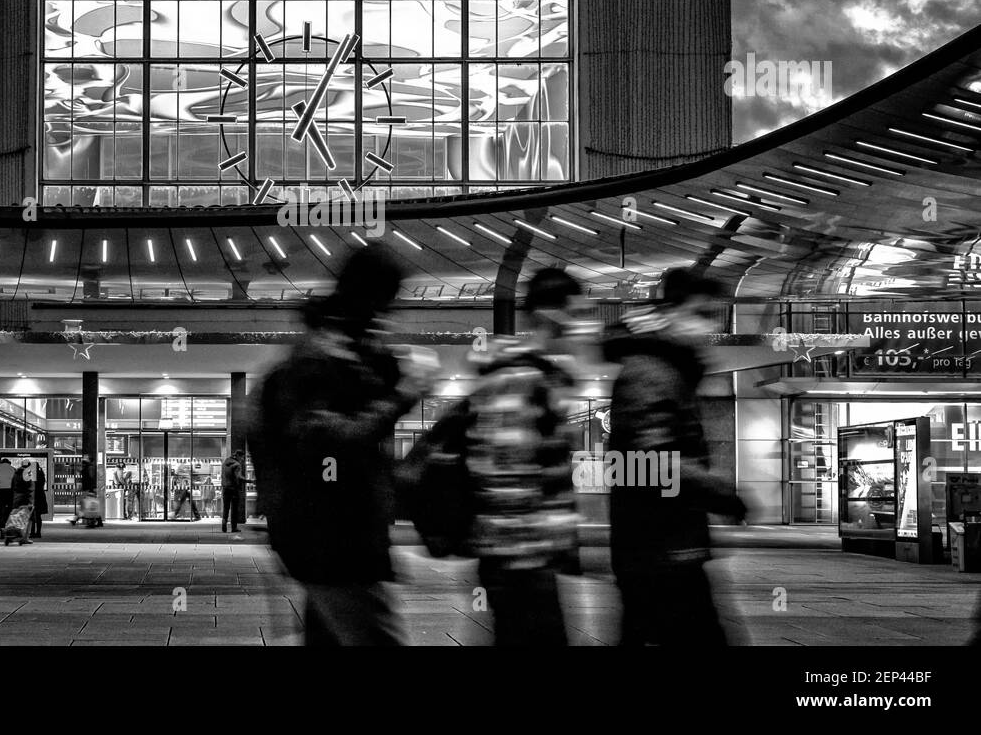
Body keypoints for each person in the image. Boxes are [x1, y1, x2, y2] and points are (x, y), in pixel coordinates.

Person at [255, 243, 430, 645]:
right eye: (387, 303)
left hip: (335, 539)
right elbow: (333, 442)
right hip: (332, 543)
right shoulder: (318, 359)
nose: (389, 317)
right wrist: (406, 392)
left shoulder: (340, 351)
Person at [605, 267, 747, 646]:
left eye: (712, 317)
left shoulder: (664, 370)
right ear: (669, 312)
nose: (707, 329)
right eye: (700, 315)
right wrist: (721, 491)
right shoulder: (650, 373)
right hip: (660, 549)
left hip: (662, 546)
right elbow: (650, 460)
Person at [461, 267, 592, 646]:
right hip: (518, 556)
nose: (584, 328)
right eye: (578, 314)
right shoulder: (519, 377)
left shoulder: (541, 377)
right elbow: (504, 469)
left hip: (524, 555)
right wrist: (543, 545)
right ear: (551, 315)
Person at [5, 460, 34, 546]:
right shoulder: (27, 473)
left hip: (16, 498)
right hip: (25, 499)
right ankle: (25, 537)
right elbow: (29, 488)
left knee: (14, 516)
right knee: (27, 518)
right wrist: (30, 501)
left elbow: (12, 486)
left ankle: (10, 532)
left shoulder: (16, 473)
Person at [220, 449, 245, 533]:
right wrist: (249, 480)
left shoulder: (225, 462)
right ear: (238, 456)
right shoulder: (237, 464)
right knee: (234, 509)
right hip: (234, 489)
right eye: (242, 457)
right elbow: (239, 477)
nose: (242, 459)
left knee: (226, 507)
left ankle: (224, 523)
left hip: (225, 488)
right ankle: (234, 528)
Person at [29, 461, 48, 539]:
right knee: (38, 515)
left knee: (32, 515)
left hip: (33, 496)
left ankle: (32, 532)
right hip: (40, 496)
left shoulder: (31, 475)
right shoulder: (41, 474)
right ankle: (38, 532)